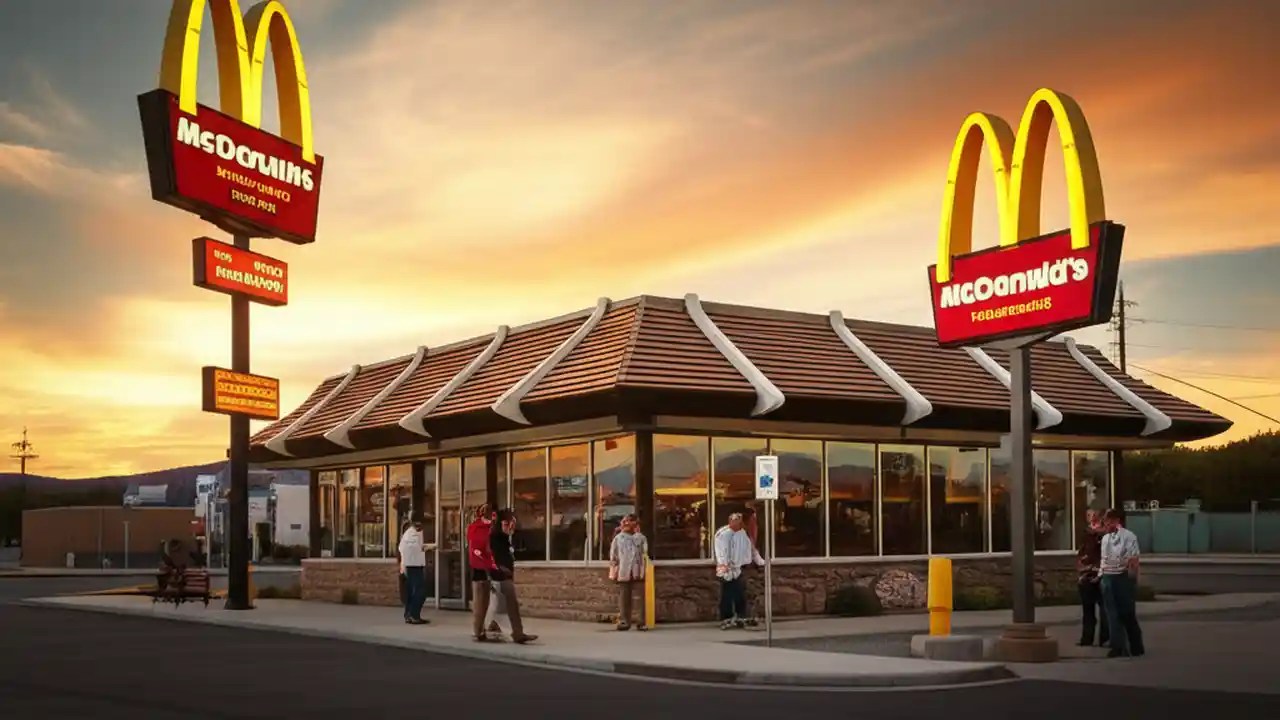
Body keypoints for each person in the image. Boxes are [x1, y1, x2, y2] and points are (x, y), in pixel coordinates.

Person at [1099, 507, 1144, 657]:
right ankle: (1117, 646)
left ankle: (1136, 645)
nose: (1106, 524)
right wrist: (1101, 575)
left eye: (1109, 521)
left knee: (1126, 612)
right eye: (1105, 522)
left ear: (1116, 521)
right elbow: (1103, 559)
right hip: (1108, 576)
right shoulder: (1105, 539)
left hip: (1122, 577)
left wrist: (1132, 577)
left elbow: (1133, 558)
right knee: (1111, 614)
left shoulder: (1128, 536)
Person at [490, 509, 537, 644]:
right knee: (510, 603)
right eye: (506, 524)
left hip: (504, 574)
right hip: (500, 574)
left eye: (511, 524)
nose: (509, 528)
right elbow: (493, 557)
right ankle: (517, 632)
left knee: (495, 604)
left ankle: (492, 625)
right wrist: (500, 570)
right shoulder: (495, 538)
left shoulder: (504, 538)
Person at [714, 512, 764, 630]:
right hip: (727, 568)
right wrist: (725, 566)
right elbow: (721, 552)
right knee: (728, 593)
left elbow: (751, 548)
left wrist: (760, 561)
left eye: (739, 522)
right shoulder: (723, 534)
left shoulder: (742, 534)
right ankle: (727, 617)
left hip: (739, 567)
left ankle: (740, 615)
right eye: (736, 521)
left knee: (739, 592)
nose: (739, 524)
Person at [609, 513, 649, 630]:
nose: (626, 523)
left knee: (640, 598)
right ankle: (624, 621)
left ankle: (641, 622)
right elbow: (613, 556)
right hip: (624, 569)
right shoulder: (618, 538)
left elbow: (645, 553)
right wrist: (614, 571)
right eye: (624, 521)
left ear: (635, 524)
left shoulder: (641, 538)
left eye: (630, 521)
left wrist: (644, 569)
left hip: (638, 570)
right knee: (624, 597)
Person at [1077, 508, 1110, 647]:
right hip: (1087, 575)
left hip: (1101, 575)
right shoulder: (1086, 535)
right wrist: (1081, 569)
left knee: (1105, 609)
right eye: (1089, 515)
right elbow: (1081, 553)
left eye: (1094, 515)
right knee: (1088, 610)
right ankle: (1087, 638)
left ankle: (1105, 638)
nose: (1092, 518)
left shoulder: (1105, 536)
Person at [467, 504, 498, 641]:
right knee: (483, 601)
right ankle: (478, 631)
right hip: (483, 567)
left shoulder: (473, 527)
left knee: (480, 600)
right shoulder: (487, 529)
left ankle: (479, 629)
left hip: (476, 566)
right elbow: (488, 549)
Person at [398, 513, 429, 625]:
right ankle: (414, 615)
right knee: (419, 592)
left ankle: (409, 615)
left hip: (411, 565)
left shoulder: (411, 533)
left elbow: (402, 548)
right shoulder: (412, 534)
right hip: (414, 566)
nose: (422, 526)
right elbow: (413, 548)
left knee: (411, 592)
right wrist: (425, 548)